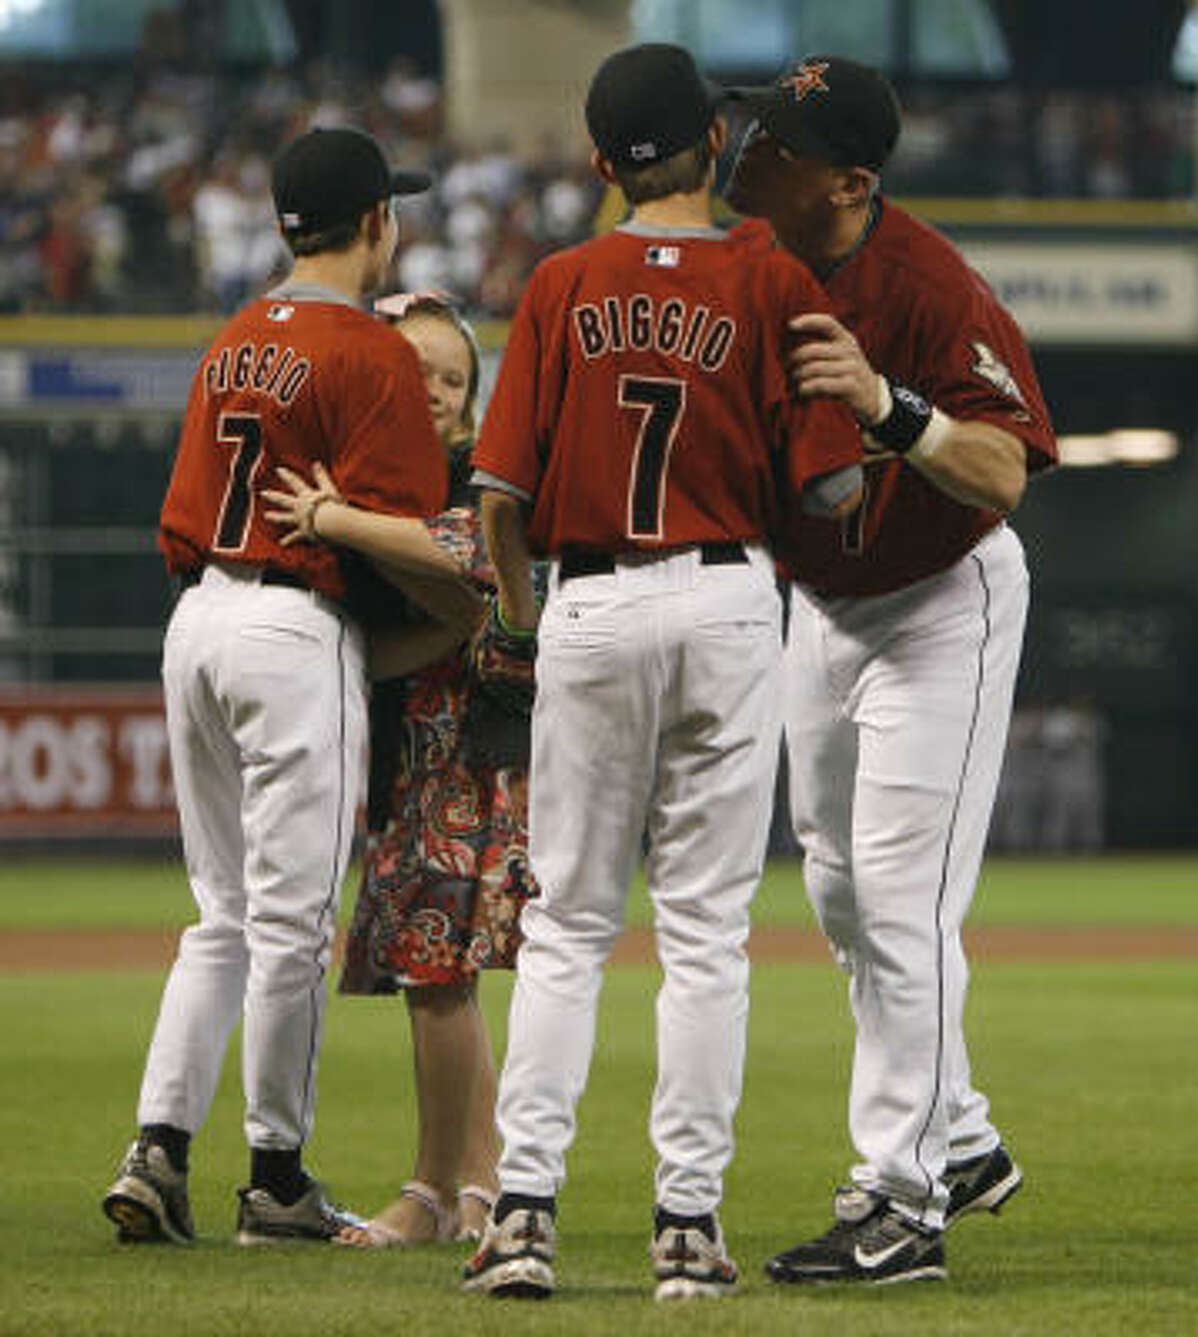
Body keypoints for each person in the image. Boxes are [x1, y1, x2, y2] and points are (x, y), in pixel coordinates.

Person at [460, 43, 864, 1301]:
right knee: (704, 934)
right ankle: (686, 1223)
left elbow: (497, 498)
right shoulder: (772, 272)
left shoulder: (565, 279)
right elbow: (837, 480)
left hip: (589, 597)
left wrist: (523, 625)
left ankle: (522, 1213)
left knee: (567, 925)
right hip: (731, 595)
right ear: (715, 143)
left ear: (598, 162)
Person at [101, 127, 482, 1247]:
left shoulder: (231, 338)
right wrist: (455, 612)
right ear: (376, 223)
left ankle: (158, 1148)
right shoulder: (368, 353)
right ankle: (276, 1174)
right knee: (291, 921)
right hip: (289, 624)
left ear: (281, 224)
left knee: (218, 915)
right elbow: (413, 534)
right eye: (392, 211)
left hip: (198, 617)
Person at [725, 56, 1058, 1284]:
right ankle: (962, 1135)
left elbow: (1004, 472)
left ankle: (901, 1199)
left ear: (851, 182)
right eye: (755, 125)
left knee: (908, 899)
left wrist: (890, 408)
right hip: (825, 606)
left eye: (780, 144)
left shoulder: (925, 281)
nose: (748, 153)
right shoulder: (749, 267)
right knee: (842, 896)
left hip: (941, 601)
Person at [268, 293, 540, 1248]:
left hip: (468, 752)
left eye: (453, 378)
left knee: (437, 970)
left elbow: (466, 559)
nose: (433, 389)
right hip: (407, 755)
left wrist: (333, 517)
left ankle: (432, 1191)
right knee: (437, 976)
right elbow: (424, 627)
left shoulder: (473, 474)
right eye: (414, 369)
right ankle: (481, 1180)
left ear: (472, 405)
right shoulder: (377, 475)